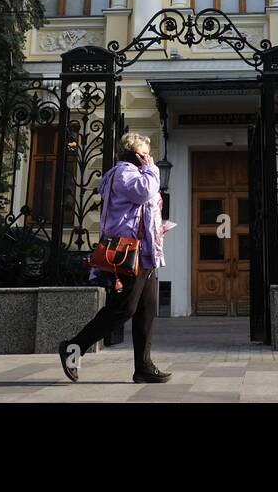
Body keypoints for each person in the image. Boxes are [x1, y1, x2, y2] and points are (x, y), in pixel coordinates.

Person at [58, 131, 171, 384]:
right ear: (135, 154)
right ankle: (73, 347)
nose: (149, 157)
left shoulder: (136, 173)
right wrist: (152, 169)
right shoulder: (124, 173)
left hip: (146, 253)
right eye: (145, 153)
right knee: (123, 310)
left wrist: (158, 228)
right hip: (128, 254)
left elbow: (142, 211)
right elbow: (143, 193)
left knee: (147, 309)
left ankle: (143, 367)